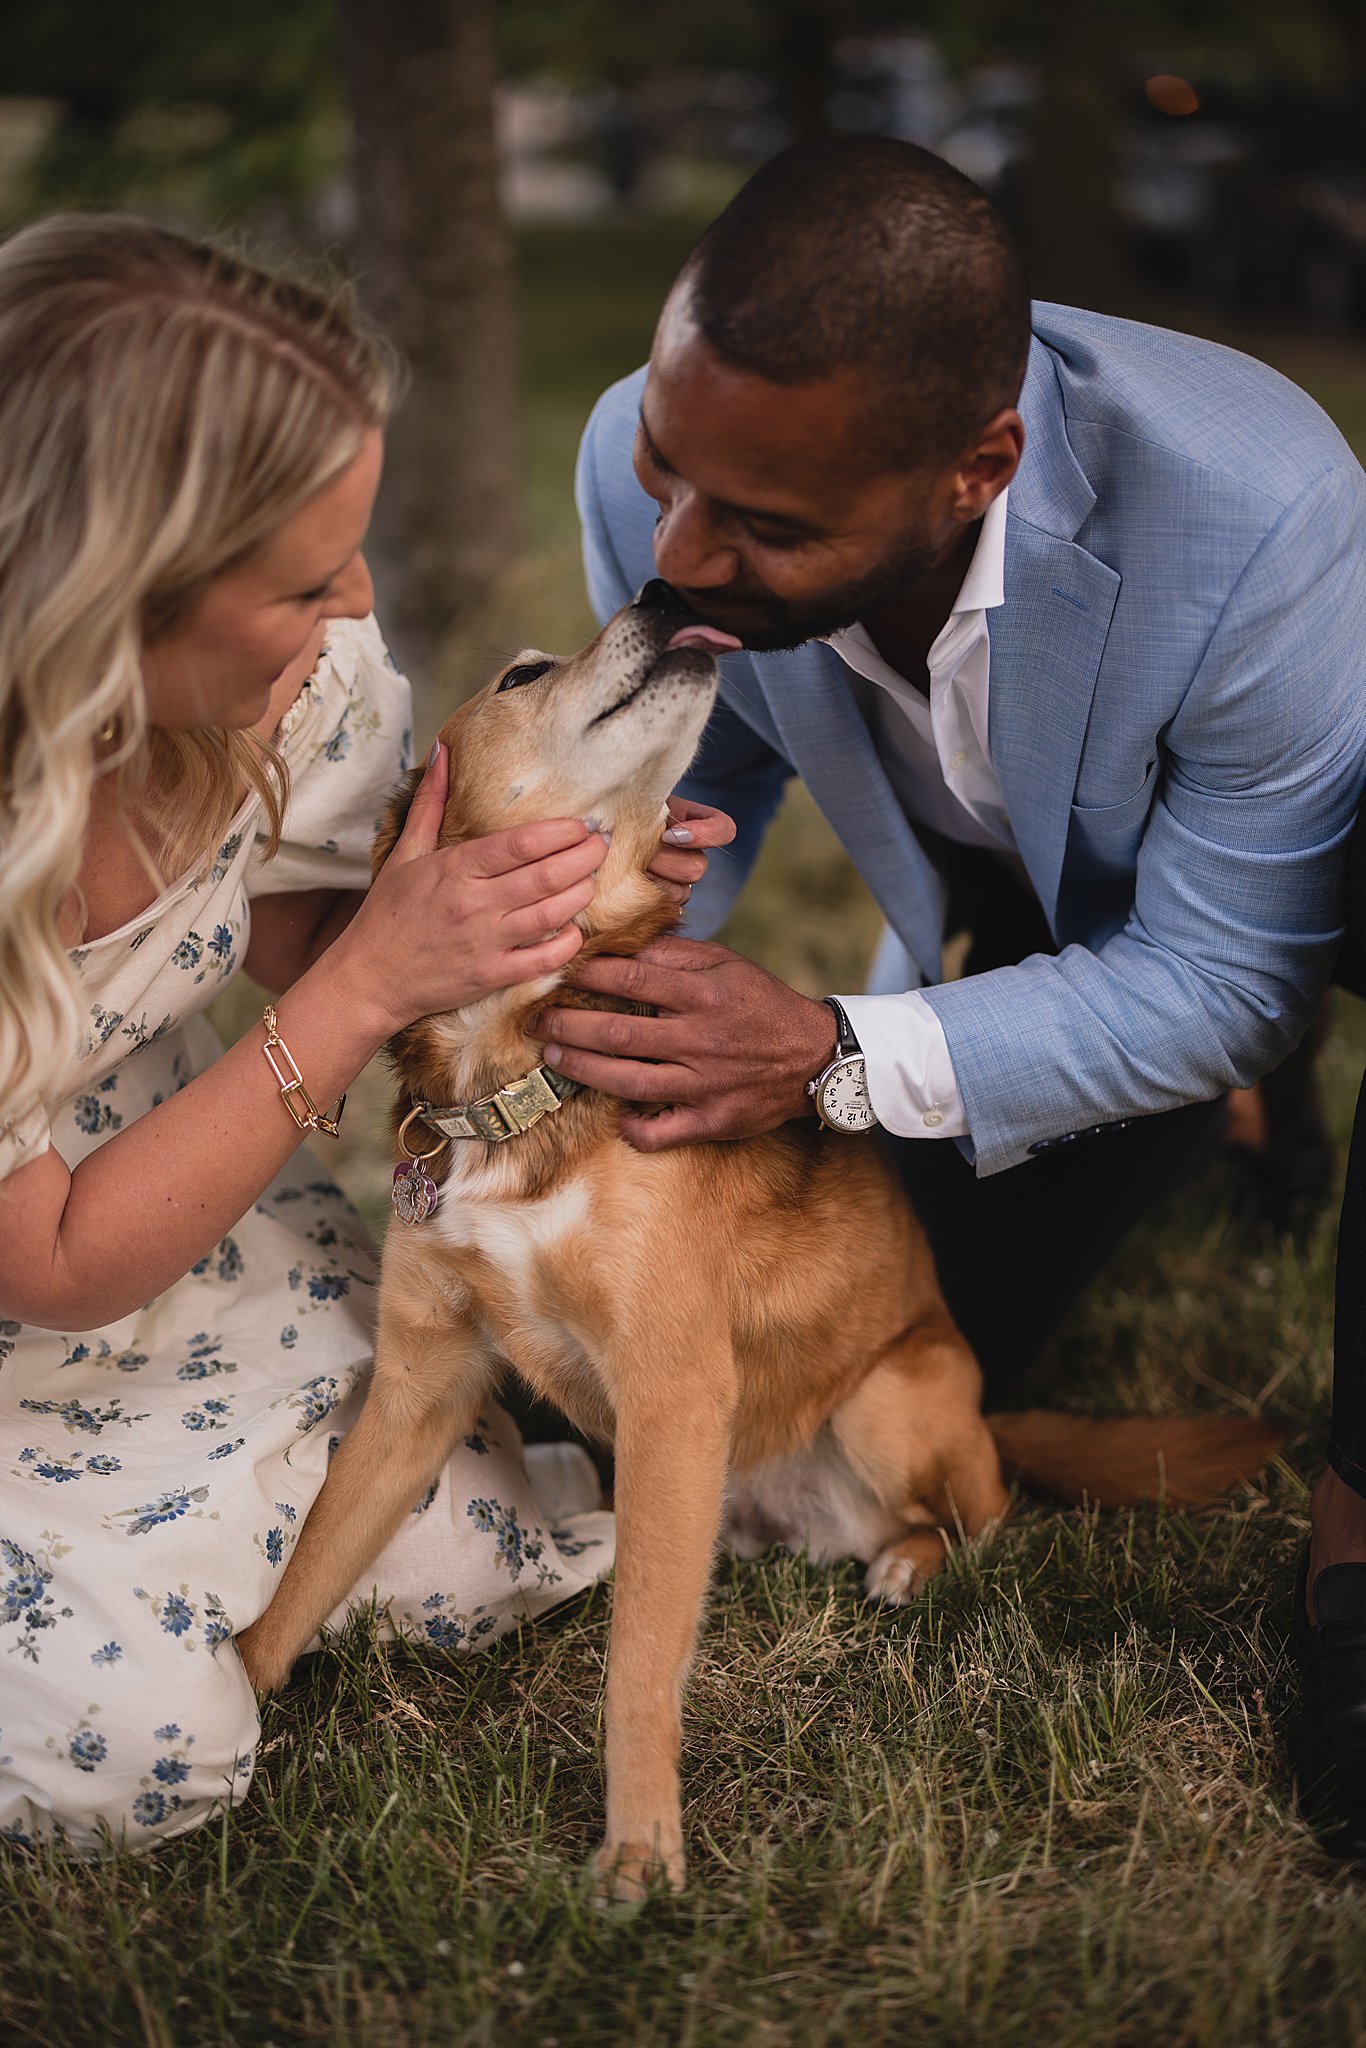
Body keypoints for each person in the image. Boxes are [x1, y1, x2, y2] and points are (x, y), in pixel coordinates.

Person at [539, 139, 1366, 1850]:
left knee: (1197, 1032)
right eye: (665, 473)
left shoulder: (1257, 513)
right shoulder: (669, 460)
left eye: (763, 527)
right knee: (859, 1321)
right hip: (967, 881)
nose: (676, 551)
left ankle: (1237, 1114)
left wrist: (837, 1052)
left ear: (978, 467)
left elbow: (1229, 968)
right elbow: (725, 750)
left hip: (1188, 894)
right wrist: (638, 956)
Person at [0, 213, 723, 1852]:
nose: (356, 608)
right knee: (142, 1765)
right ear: (108, 599)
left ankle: (186, 1512)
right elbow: (47, 1263)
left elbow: (276, 922)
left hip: (177, 1207)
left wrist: (523, 911)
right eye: (301, 578)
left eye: (357, 547)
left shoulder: (267, 700)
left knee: (461, 1558)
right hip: (44, 1262)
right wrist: (366, 989)